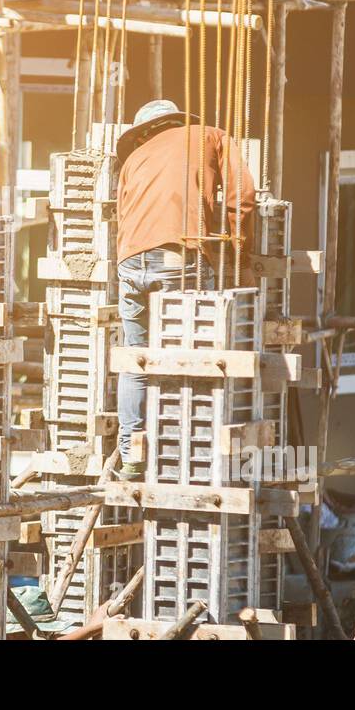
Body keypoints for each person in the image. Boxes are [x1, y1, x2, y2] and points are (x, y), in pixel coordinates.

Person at [113, 99, 256, 479]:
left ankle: (131, 455)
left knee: (137, 360)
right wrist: (239, 254)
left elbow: (122, 216)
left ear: (143, 132)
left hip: (129, 264)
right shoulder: (211, 136)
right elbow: (243, 195)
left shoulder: (132, 160)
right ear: (177, 121)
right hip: (177, 255)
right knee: (192, 356)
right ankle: (185, 455)